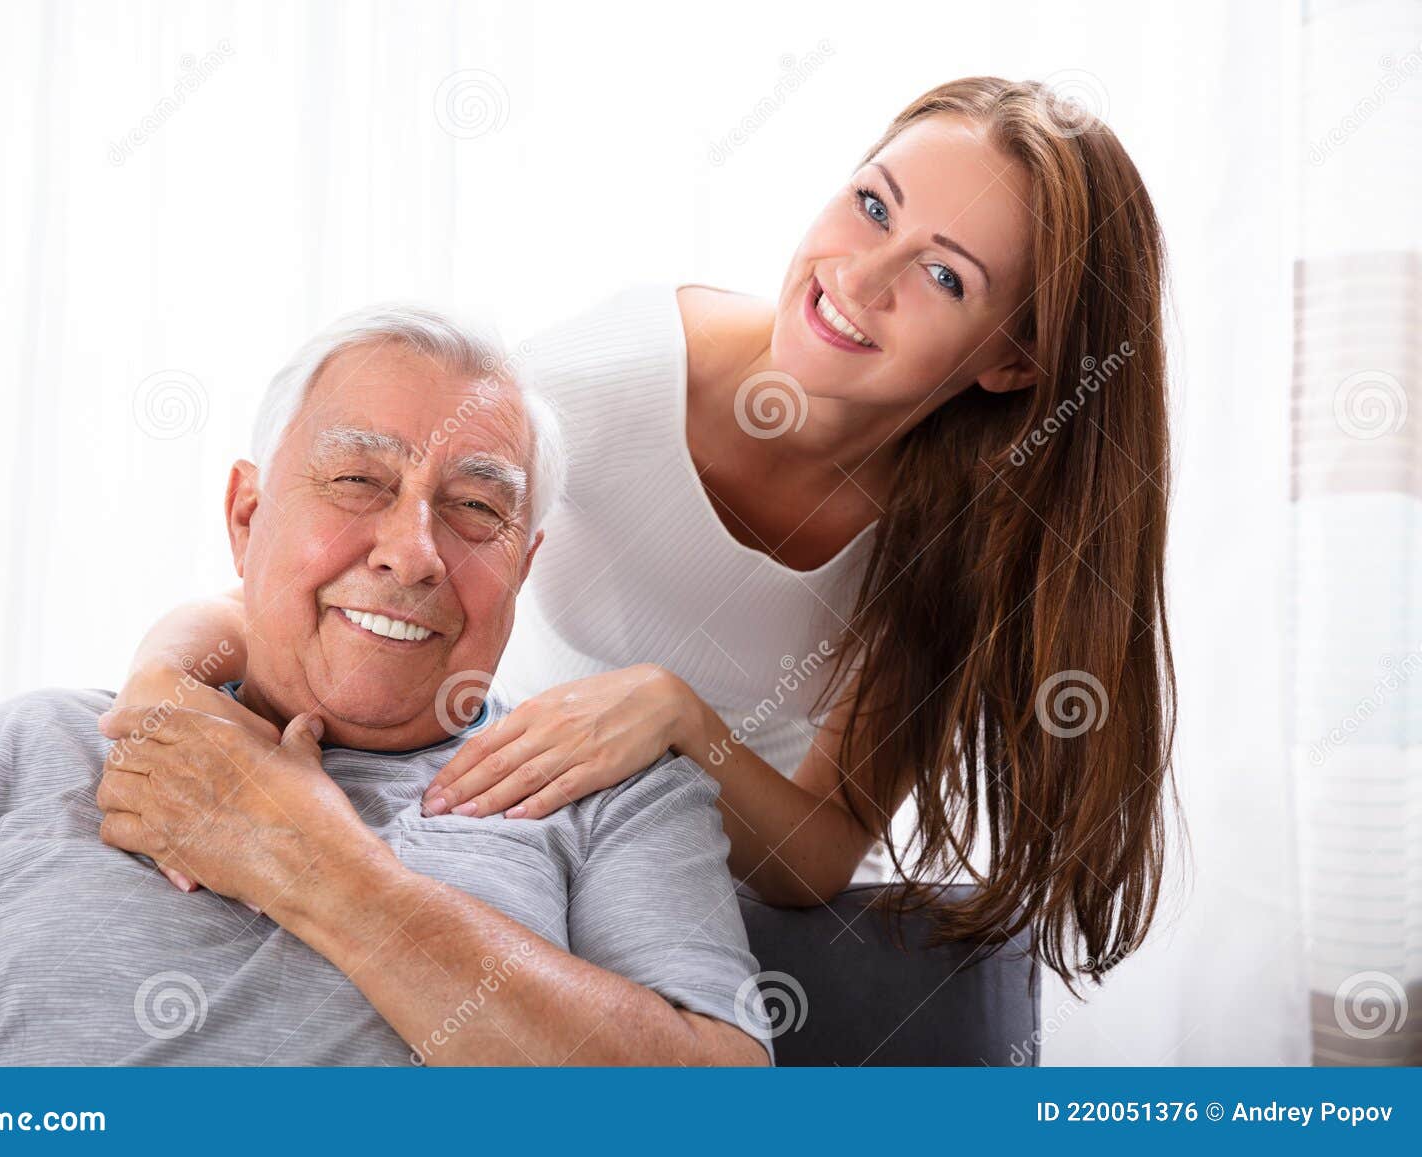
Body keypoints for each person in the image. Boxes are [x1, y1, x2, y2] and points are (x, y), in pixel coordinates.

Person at [118, 76, 1177, 985]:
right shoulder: (604, 381)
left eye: (944, 276)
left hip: (684, 904)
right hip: (477, 823)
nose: (858, 277)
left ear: (1012, 362)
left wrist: (674, 715)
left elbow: (819, 851)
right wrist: (157, 692)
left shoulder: (950, 531)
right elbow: (348, 575)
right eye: (868, 205)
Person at [0, 306, 770, 1067]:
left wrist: (317, 863)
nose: (412, 554)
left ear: (523, 566)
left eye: (475, 507)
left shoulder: (610, 791)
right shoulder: (20, 751)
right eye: (359, 479)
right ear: (245, 515)